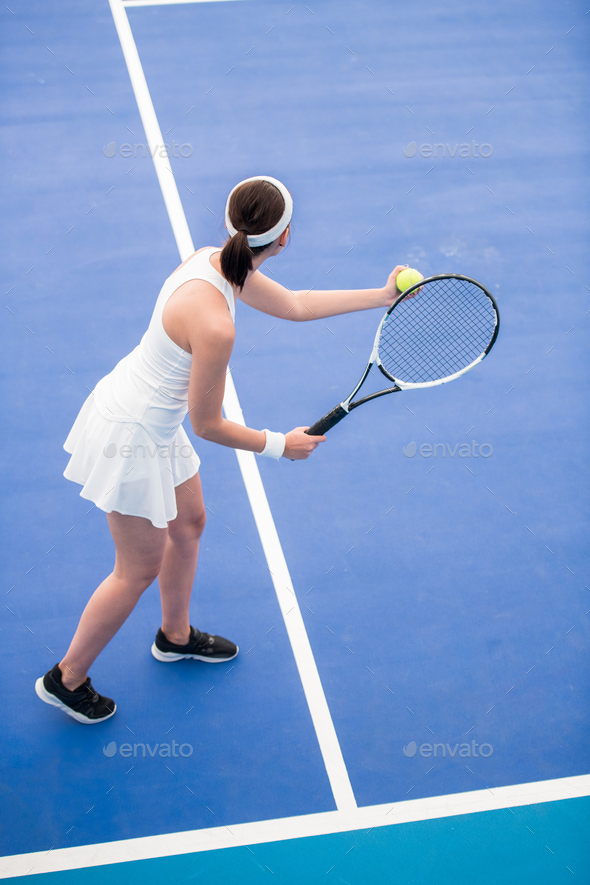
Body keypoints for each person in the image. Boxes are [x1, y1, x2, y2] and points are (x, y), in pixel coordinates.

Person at [35, 175, 408, 724]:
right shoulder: (215, 325)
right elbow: (207, 424)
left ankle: (175, 635)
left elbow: (298, 306)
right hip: (133, 436)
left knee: (189, 525)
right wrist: (281, 445)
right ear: (283, 240)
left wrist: (381, 297)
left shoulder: (216, 259)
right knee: (136, 569)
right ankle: (65, 679)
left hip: (150, 422)